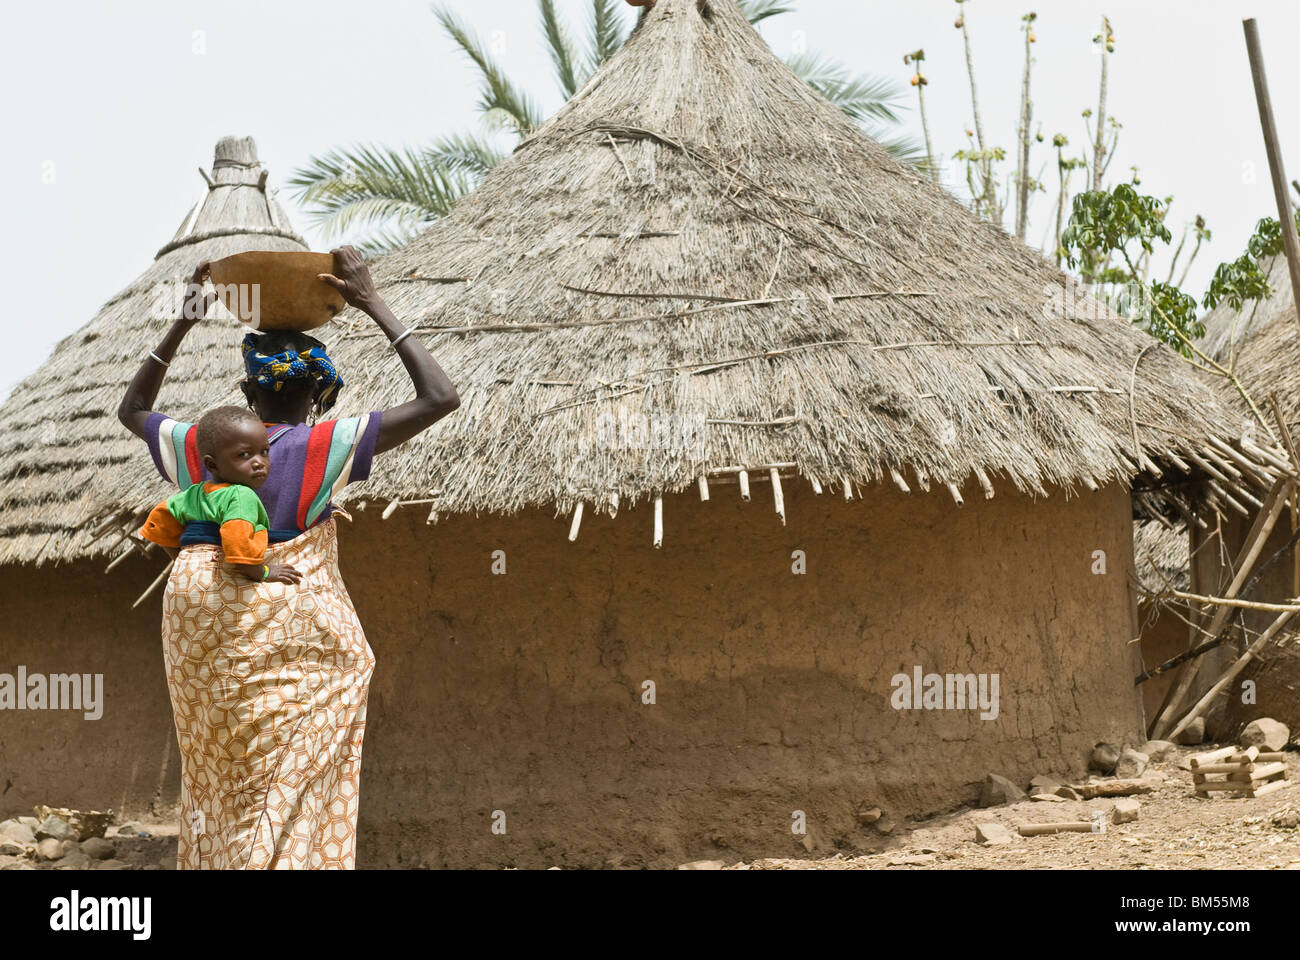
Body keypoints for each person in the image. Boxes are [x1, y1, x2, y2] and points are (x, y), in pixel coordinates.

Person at [118, 245, 458, 869]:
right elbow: (440, 397)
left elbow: (132, 410)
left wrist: (185, 318)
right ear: (323, 390)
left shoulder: (203, 447)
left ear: (248, 390)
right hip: (283, 618)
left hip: (198, 627)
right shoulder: (326, 444)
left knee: (220, 775)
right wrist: (373, 302)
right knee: (300, 751)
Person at [138, 406, 301, 584]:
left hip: (183, 587)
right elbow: (238, 543)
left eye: (264, 452)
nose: (259, 462)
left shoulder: (193, 494)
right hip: (221, 590)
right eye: (245, 454)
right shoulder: (240, 496)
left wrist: (181, 561)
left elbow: (158, 522)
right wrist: (264, 572)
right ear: (212, 465)